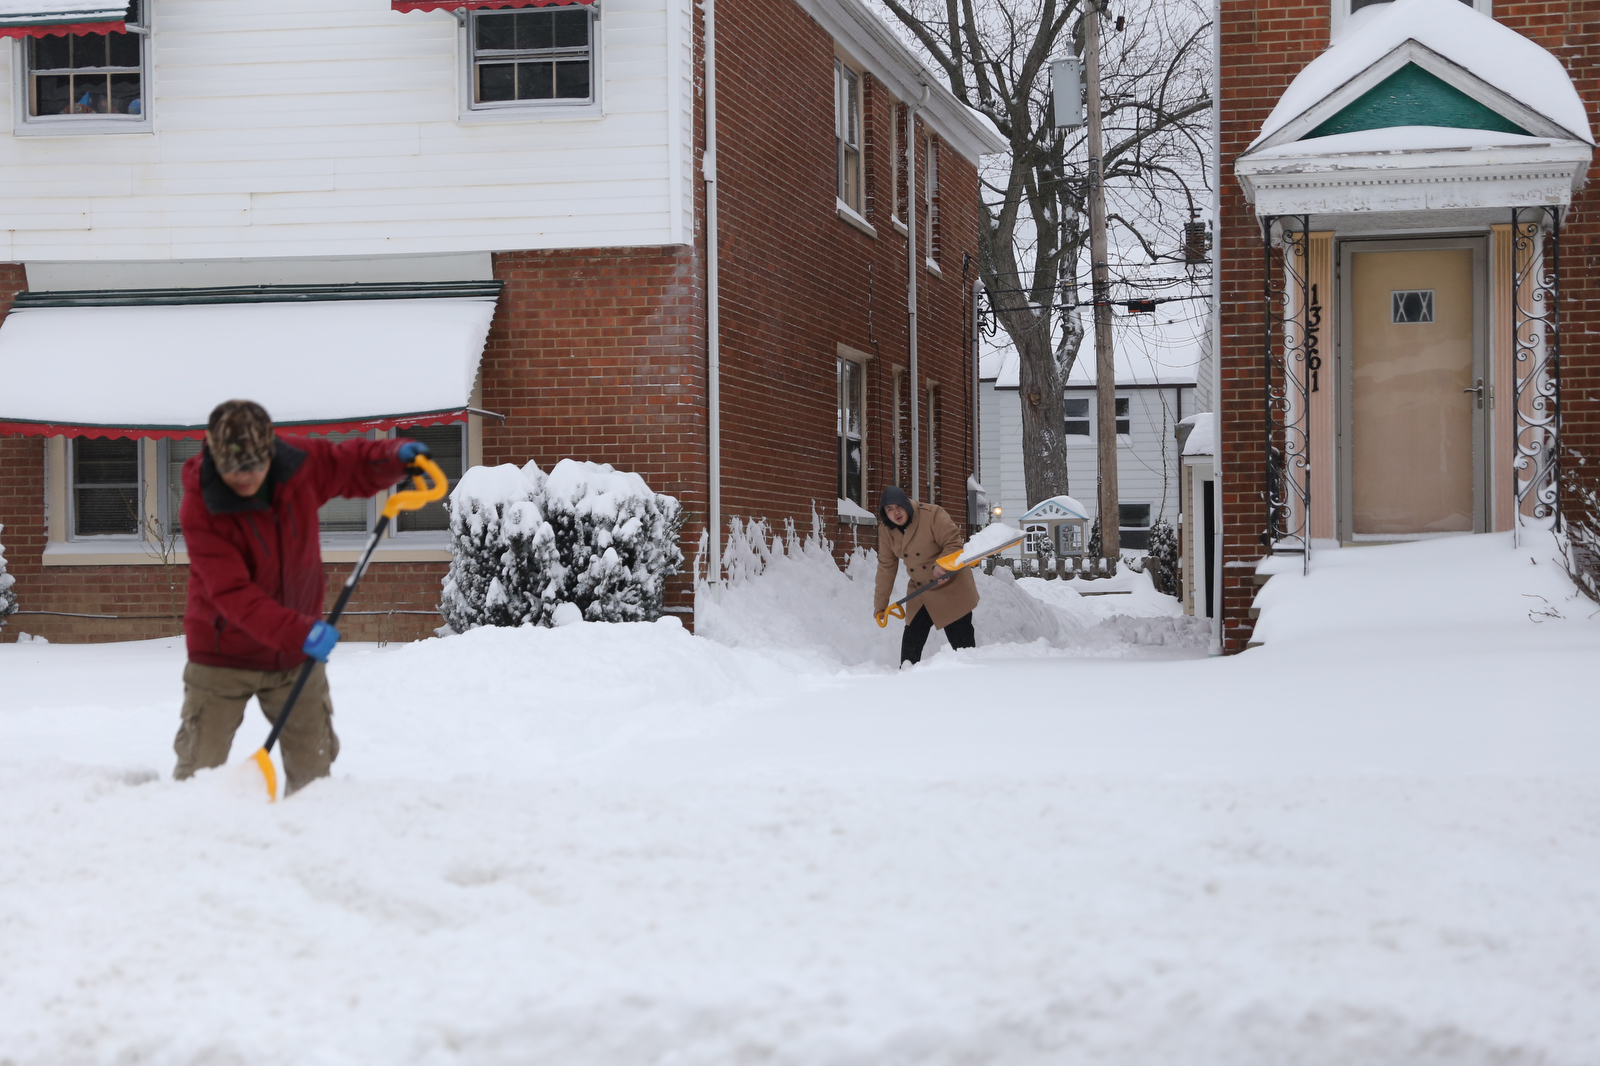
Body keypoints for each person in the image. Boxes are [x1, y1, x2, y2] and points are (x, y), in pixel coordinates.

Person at [173, 400, 431, 795]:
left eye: (255, 467)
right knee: (197, 776)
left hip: (294, 658)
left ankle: (307, 849)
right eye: (232, 470)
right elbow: (232, 593)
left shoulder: (298, 466)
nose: (245, 479)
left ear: (270, 454)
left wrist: (393, 457)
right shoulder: (201, 505)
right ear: (215, 458)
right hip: (222, 655)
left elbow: (349, 464)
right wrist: (300, 633)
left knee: (315, 778)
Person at [873, 486, 979, 666]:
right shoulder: (886, 531)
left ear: (906, 504)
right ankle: (907, 680)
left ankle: (971, 683)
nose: (895, 512)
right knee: (910, 644)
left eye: (898, 506)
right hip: (922, 590)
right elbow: (886, 567)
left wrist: (941, 565)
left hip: (951, 587)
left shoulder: (932, 515)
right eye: (889, 509)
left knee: (963, 649)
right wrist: (880, 605)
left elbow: (953, 544)